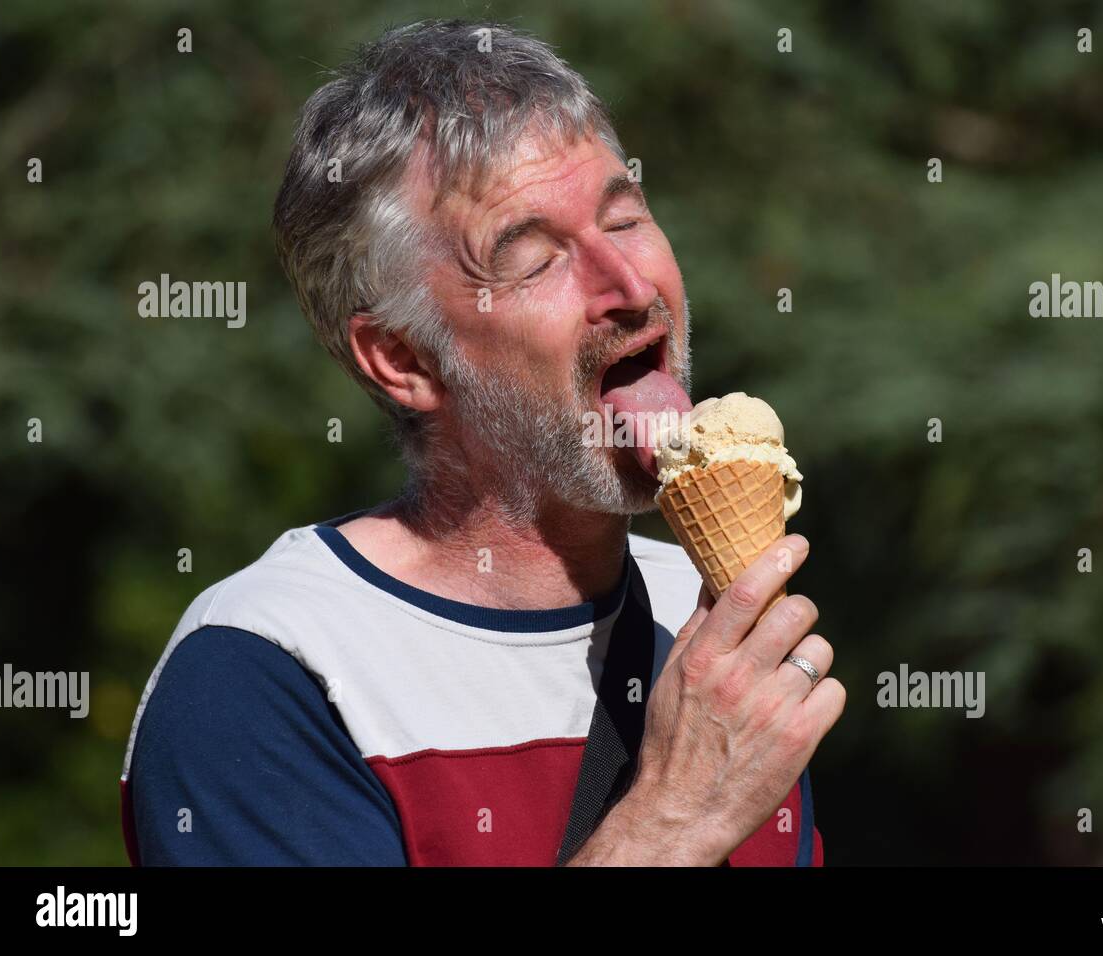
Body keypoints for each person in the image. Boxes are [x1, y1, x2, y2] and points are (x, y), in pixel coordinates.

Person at [119, 18, 844, 866]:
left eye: (625, 218)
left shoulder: (709, 609)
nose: (630, 285)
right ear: (403, 359)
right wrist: (675, 819)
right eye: (534, 260)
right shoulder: (263, 676)